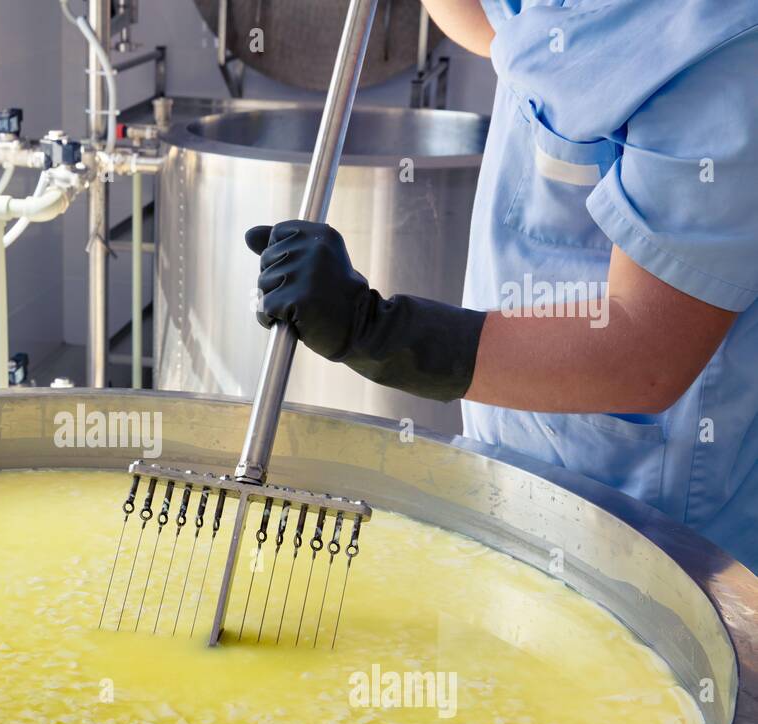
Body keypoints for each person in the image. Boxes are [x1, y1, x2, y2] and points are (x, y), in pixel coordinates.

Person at [246, 0, 758, 571]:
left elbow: (646, 351)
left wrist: (377, 333)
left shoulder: (726, 44)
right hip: (510, 476)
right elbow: (497, 26)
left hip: (659, 539)